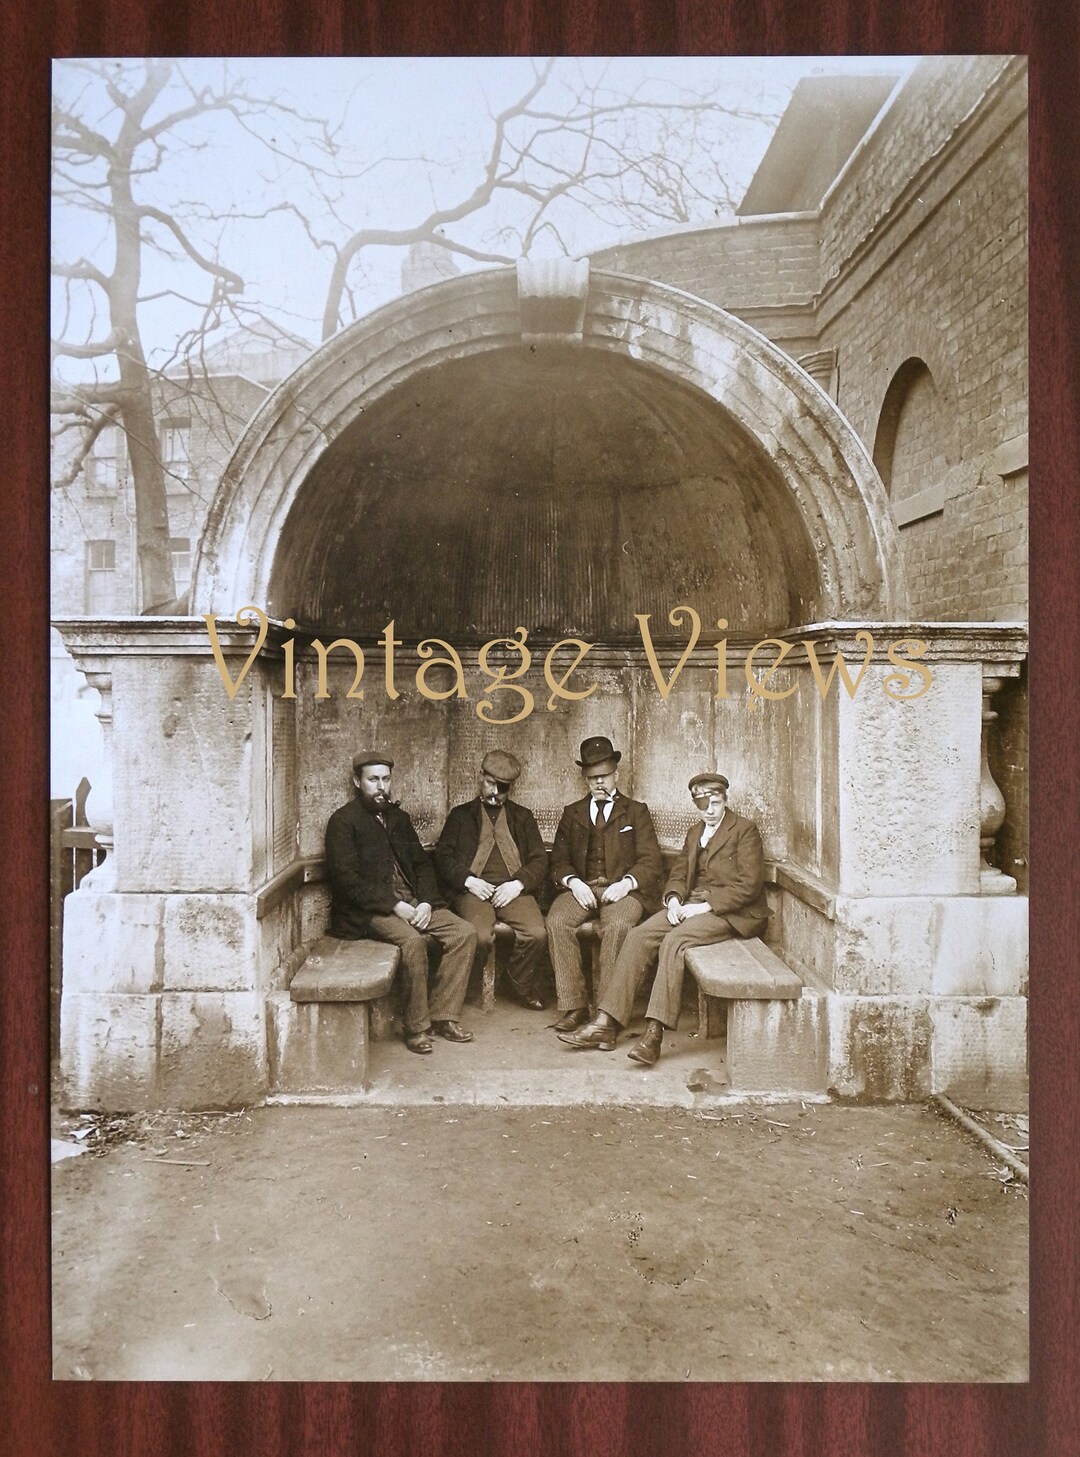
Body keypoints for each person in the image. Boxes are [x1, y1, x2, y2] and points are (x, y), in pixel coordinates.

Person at [558, 772, 768, 1065]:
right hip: (690, 906)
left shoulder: (744, 830)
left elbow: (749, 886)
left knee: (675, 941)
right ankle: (606, 1024)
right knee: (639, 935)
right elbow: (680, 874)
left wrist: (703, 907)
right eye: (703, 804)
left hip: (730, 913)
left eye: (715, 803)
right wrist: (673, 900)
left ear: (725, 800)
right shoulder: (696, 832)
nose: (709, 811)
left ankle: (653, 1035)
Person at [325, 753, 477, 1055]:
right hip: (368, 912)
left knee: (464, 933)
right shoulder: (343, 822)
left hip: (412, 903)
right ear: (358, 782)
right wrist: (395, 906)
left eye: (385, 779)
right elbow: (347, 881)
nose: (381, 787)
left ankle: (443, 1015)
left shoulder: (399, 819)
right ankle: (417, 1026)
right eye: (373, 780)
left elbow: (422, 865)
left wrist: (426, 904)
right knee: (412, 941)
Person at [546, 735, 663, 1033]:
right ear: (585, 779)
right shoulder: (572, 813)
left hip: (622, 890)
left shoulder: (636, 811)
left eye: (604, 776)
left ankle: (606, 1013)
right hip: (583, 888)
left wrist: (627, 883)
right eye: (592, 778)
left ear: (616, 775)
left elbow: (651, 861)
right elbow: (558, 860)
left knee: (618, 927)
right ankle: (574, 1006)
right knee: (558, 921)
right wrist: (574, 882)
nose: (599, 783)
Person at [433, 750, 549, 1010]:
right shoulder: (460, 816)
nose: (495, 792)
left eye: (503, 788)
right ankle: (470, 988)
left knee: (537, 933)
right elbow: (443, 857)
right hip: (473, 891)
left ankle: (517, 982)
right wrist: (468, 881)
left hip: (512, 890)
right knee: (479, 936)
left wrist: (517, 884)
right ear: (480, 777)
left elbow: (539, 859)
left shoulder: (523, 817)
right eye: (490, 784)